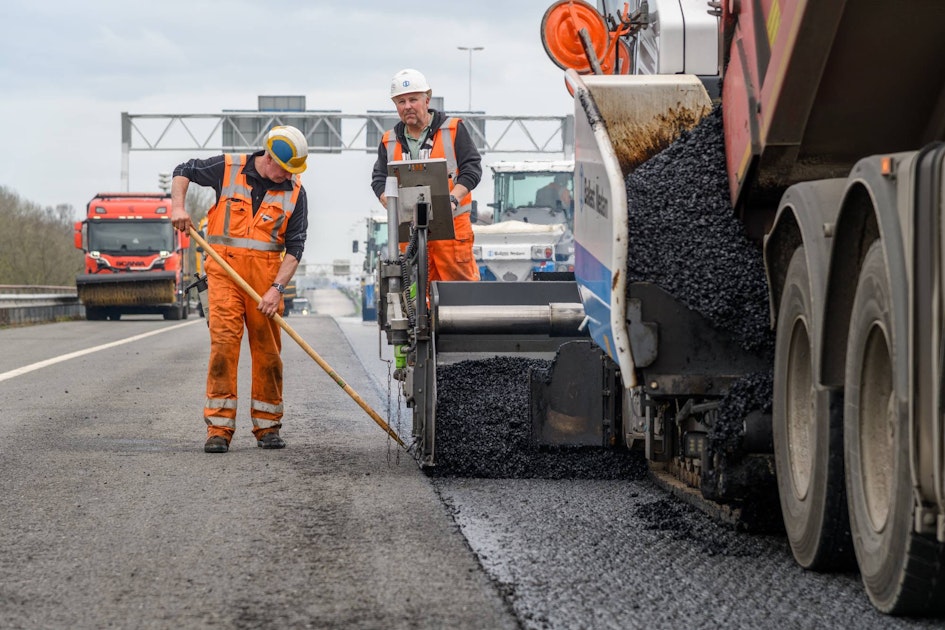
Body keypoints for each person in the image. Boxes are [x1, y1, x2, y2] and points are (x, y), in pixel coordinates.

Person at [170, 125, 309, 454]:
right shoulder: (228, 167)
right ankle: (218, 428)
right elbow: (182, 171)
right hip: (223, 275)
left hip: (265, 283)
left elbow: (295, 247)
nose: (287, 176)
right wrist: (178, 207)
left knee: (269, 354)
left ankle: (268, 426)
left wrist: (277, 289)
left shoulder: (295, 192)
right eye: (284, 170)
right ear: (269, 158)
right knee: (224, 346)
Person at [371, 68, 481, 282]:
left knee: (458, 295)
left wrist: (452, 199)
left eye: (413, 99)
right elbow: (378, 179)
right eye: (401, 102)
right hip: (408, 230)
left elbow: (472, 169)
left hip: (452, 229)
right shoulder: (389, 140)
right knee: (413, 295)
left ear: (427, 99)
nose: (408, 106)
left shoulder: (453, 130)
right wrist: (390, 201)